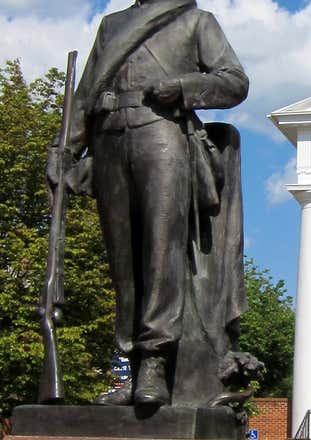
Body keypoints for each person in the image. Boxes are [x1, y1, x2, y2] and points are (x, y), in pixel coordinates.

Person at [49, 0, 249, 408]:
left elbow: (234, 82)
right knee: (124, 264)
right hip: (108, 141)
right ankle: (133, 362)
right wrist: (65, 149)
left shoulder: (195, 21)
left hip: (162, 133)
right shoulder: (112, 26)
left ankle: (155, 363)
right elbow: (85, 94)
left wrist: (182, 88)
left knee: (161, 252)